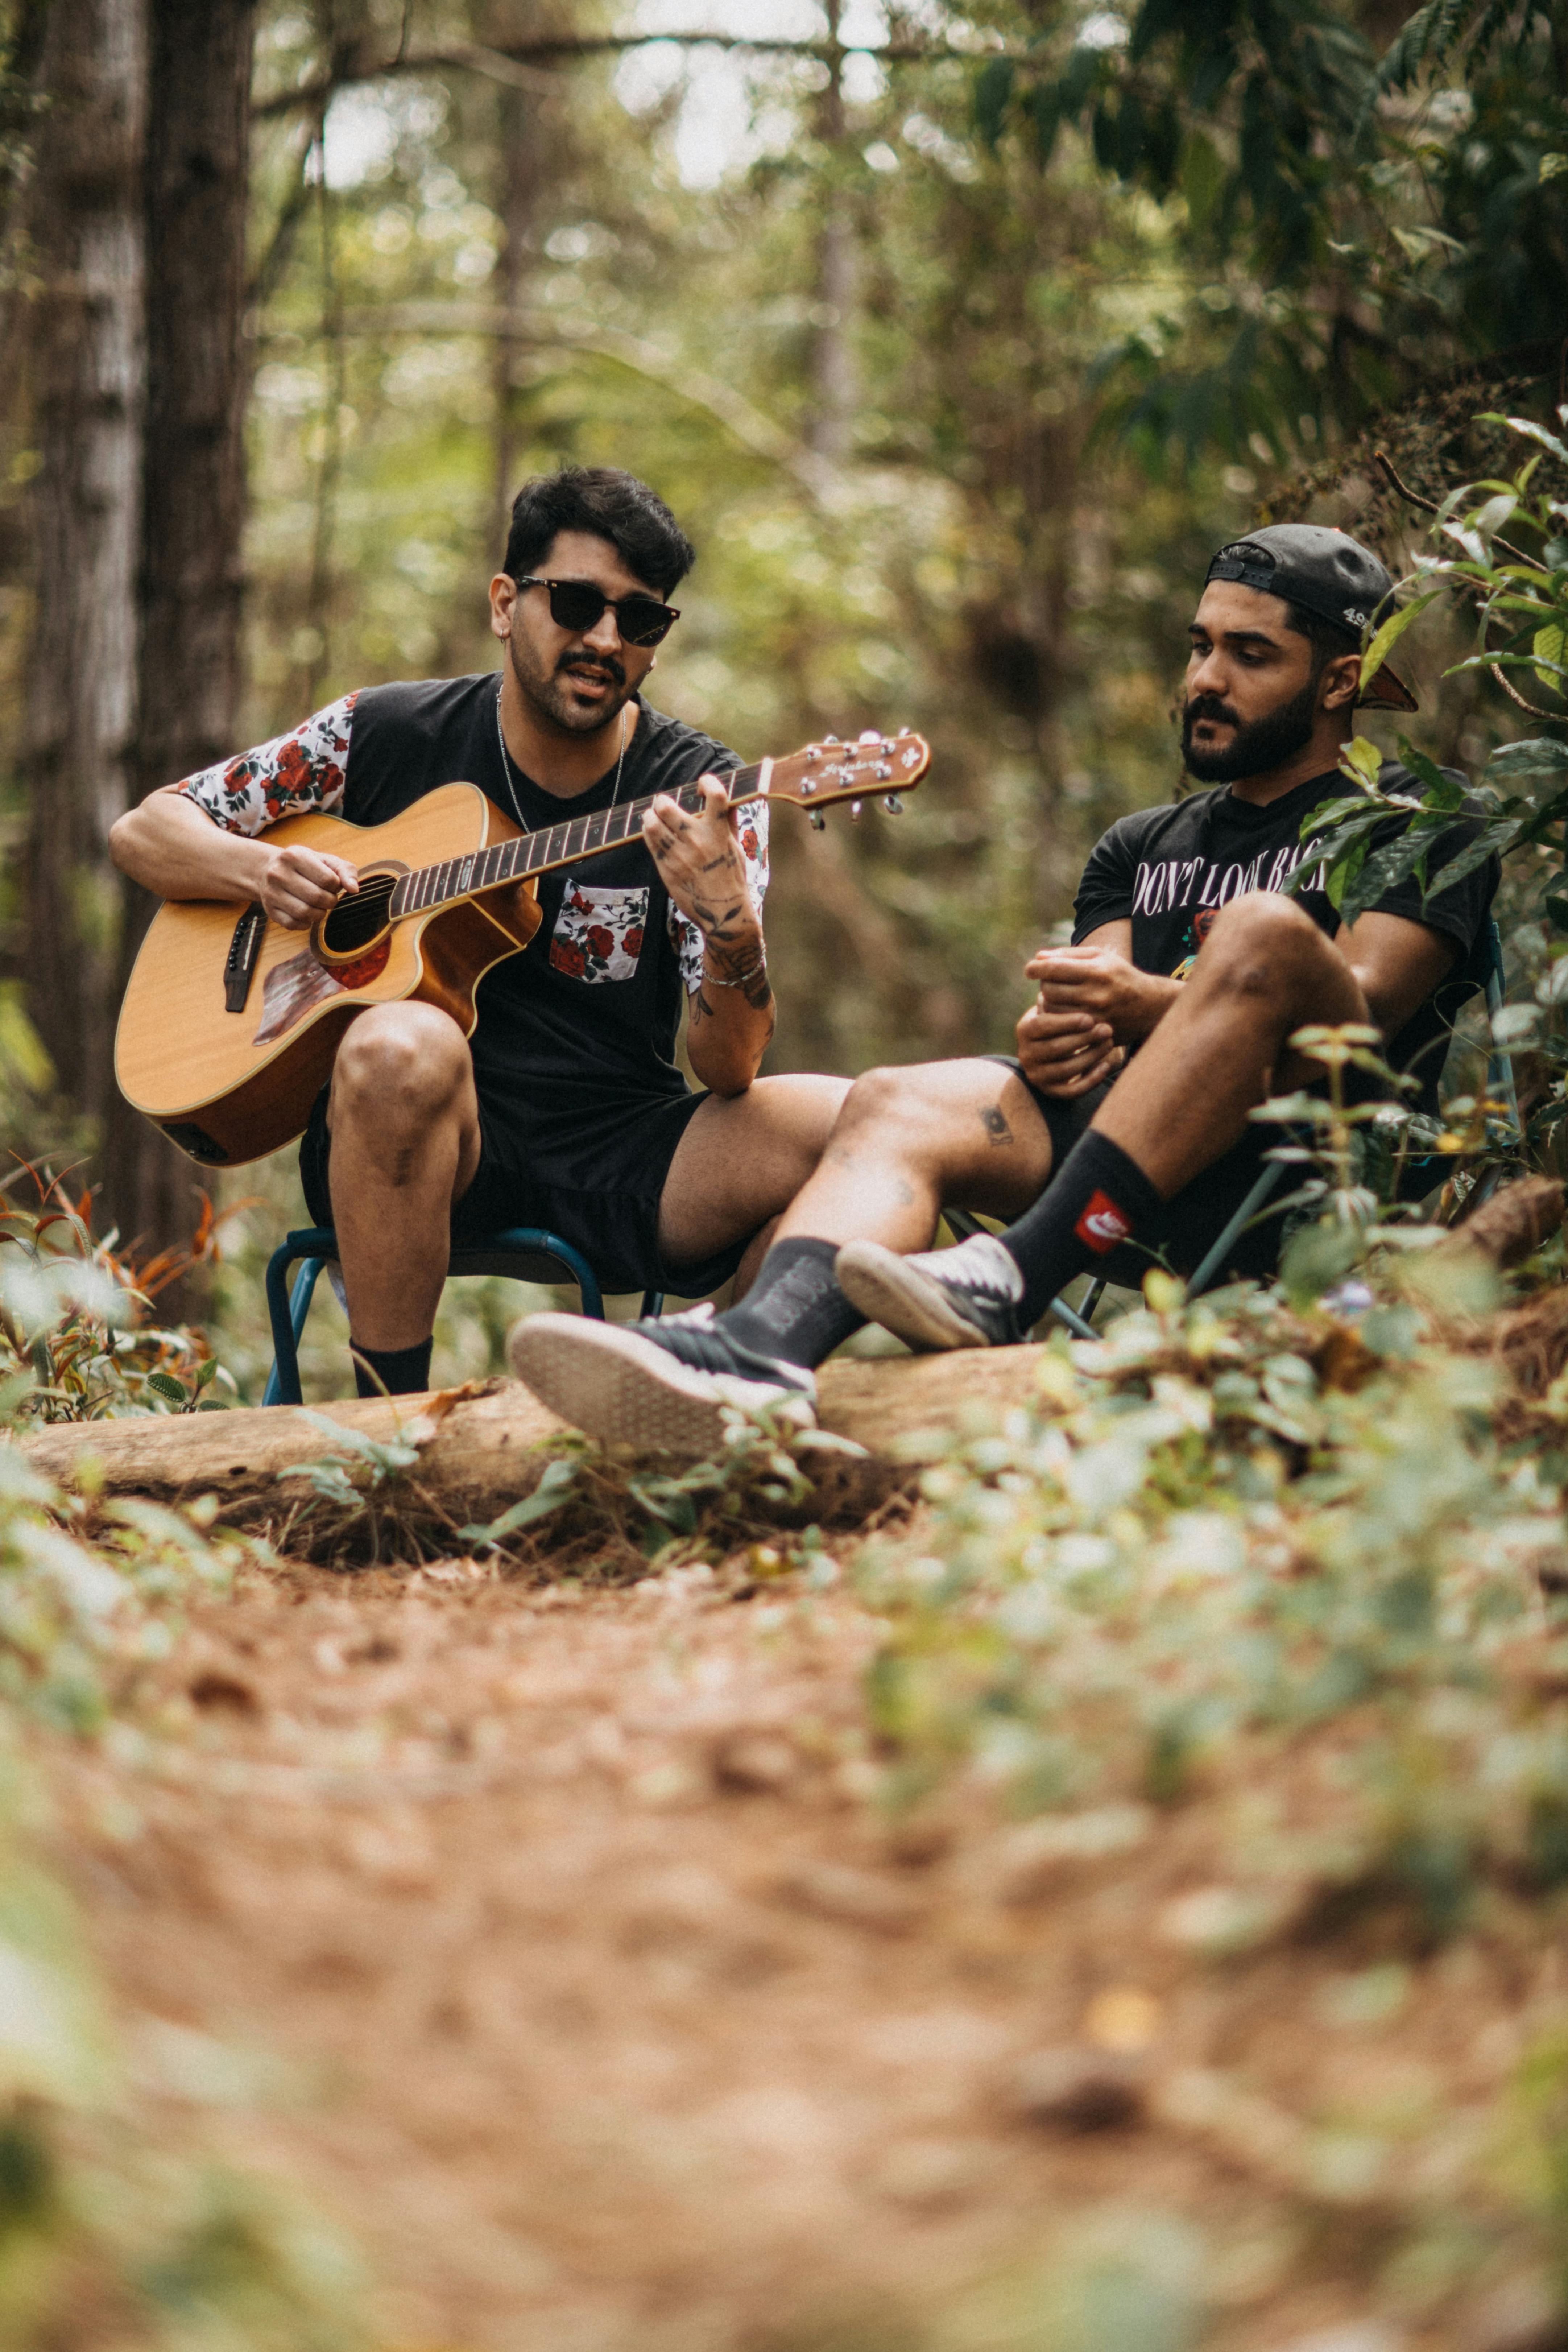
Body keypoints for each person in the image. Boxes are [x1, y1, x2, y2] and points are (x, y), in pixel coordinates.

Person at [511, 523, 1499, 1453]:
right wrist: (1056, 1037)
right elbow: (1091, 1019)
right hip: (1116, 1178)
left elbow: (1366, 1014)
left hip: (1298, 1171)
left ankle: (1015, 1271)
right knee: (896, 1096)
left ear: (1338, 681)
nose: (1203, 677)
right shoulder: (1140, 845)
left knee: (1265, 932)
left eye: (1248, 655)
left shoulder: (1415, 819)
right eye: (1198, 646)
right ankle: (758, 1351)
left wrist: (1146, 1004)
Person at [110, 466, 848, 1396]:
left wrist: (730, 925)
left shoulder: (706, 793)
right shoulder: (379, 735)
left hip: (625, 1139)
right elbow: (148, 829)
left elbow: (730, 1070)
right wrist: (261, 871)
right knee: (399, 1043)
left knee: (852, 1126)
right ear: (506, 603)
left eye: (641, 620)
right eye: (577, 603)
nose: (605, 640)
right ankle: (394, 1440)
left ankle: (722, 1400)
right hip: (419, 1137)